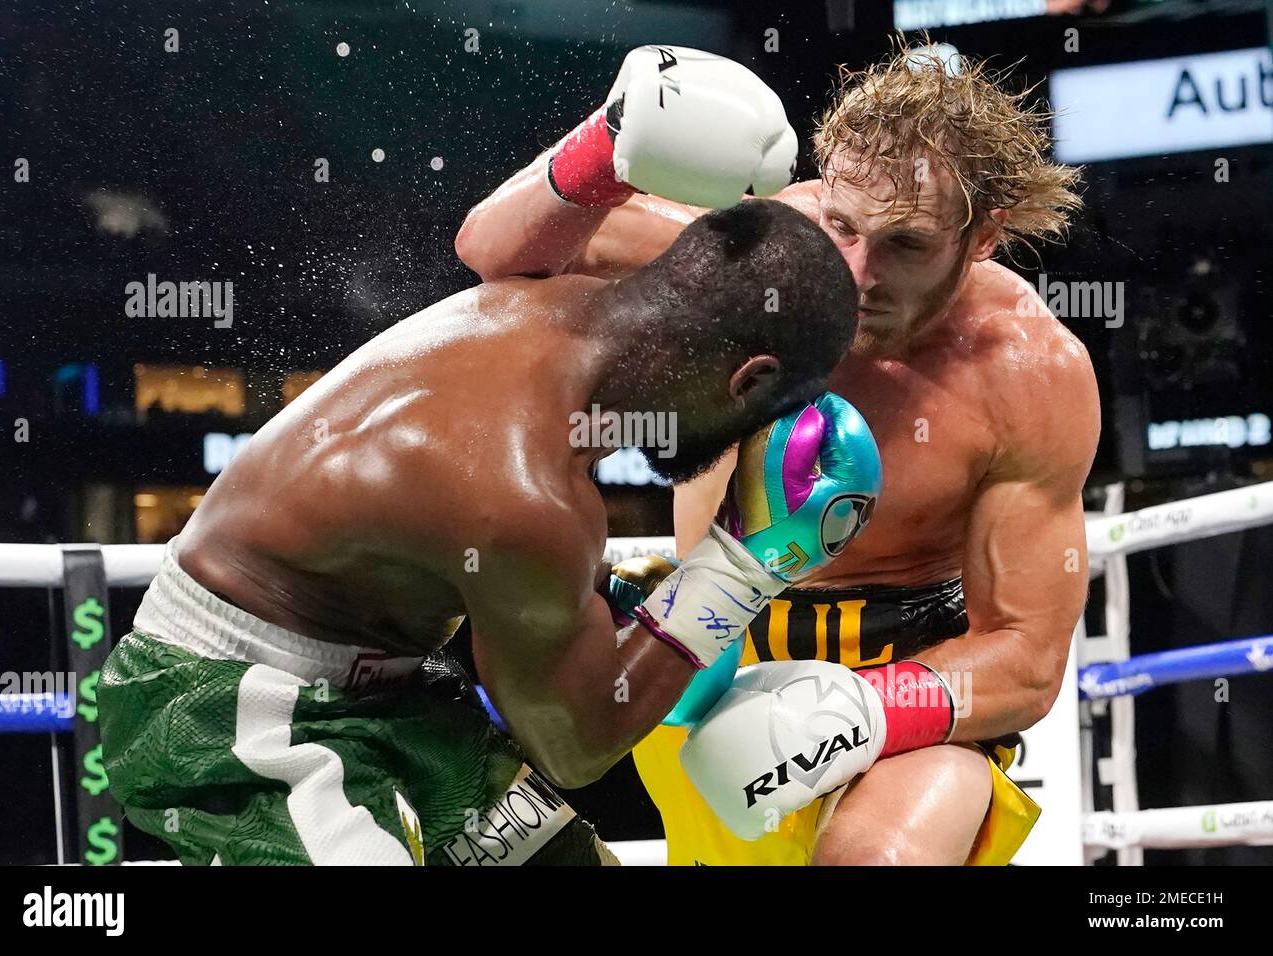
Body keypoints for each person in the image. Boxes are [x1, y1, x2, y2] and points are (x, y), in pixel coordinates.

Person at [455, 39, 1101, 865]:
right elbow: (495, 252)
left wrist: (857, 712)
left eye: (906, 243)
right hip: (689, 664)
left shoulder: (1029, 371)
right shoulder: (759, 256)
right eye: (842, 224)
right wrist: (610, 142)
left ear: (982, 238)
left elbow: (1028, 658)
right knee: (458, 814)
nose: (858, 272)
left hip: (911, 687)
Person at [96, 199, 880, 865]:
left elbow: (500, 229)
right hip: (230, 706)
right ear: (751, 380)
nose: (747, 446)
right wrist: (744, 563)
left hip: (399, 693)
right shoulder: (521, 495)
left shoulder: (544, 295)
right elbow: (578, 744)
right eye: (764, 420)